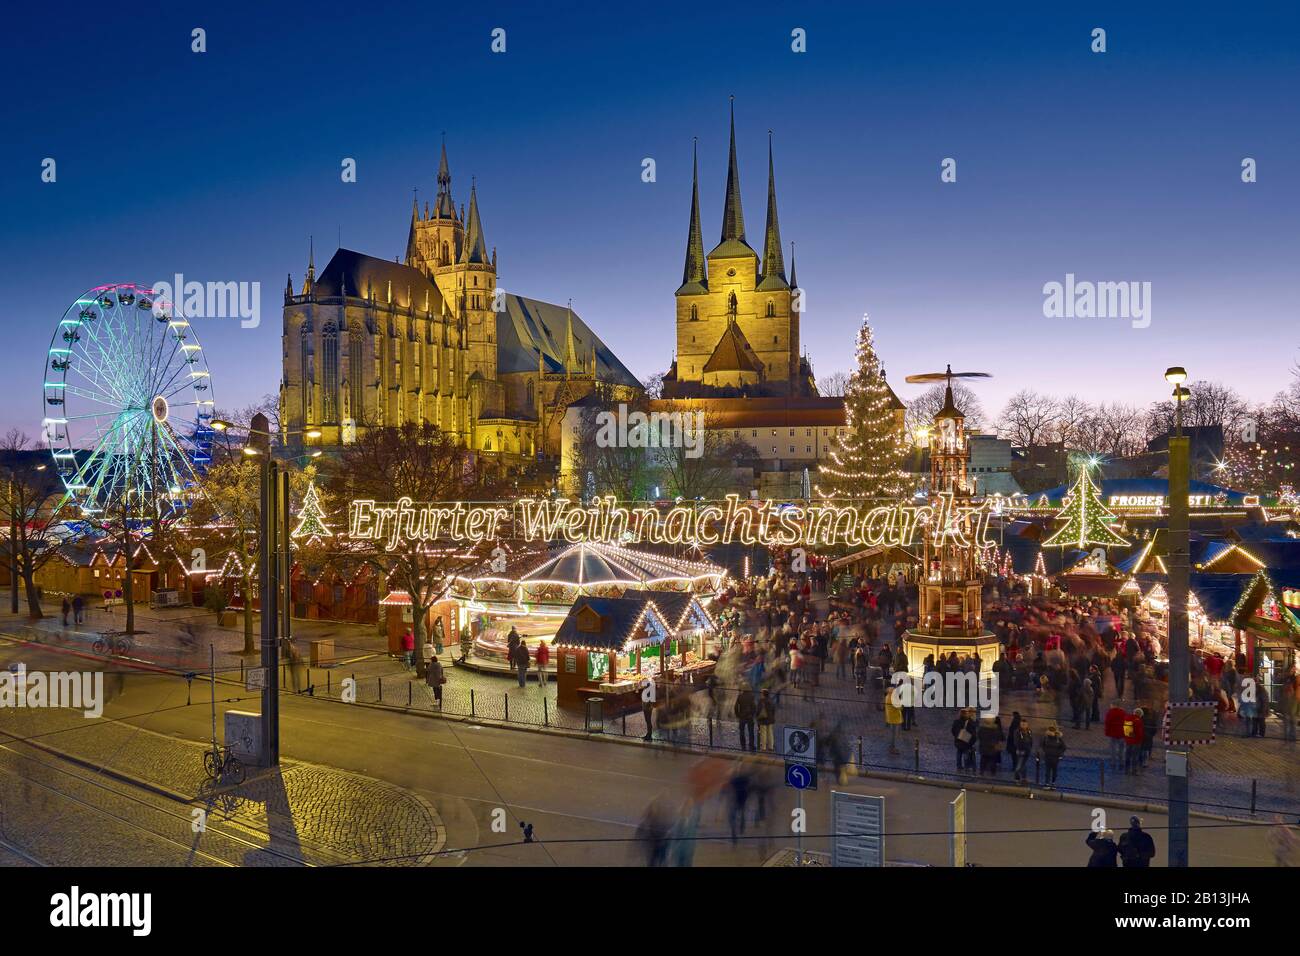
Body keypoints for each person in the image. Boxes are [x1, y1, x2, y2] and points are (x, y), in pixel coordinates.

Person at [1040, 724, 1066, 788]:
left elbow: (1063, 747)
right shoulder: (1046, 738)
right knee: (1048, 771)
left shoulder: (1058, 739)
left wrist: (1058, 753)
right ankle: (1047, 783)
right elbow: (1042, 745)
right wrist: (1045, 751)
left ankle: (1052, 783)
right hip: (1048, 756)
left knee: (1054, 771)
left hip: (1054, 757)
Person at [1104, 701, 1128, 769]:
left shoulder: (1110, 712)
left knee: (1113, 749)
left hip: (1113, 733)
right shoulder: (1123, 713)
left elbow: (1107, 722)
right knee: (1122, 749)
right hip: (1122, 733)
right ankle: (1121, 762)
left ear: (1113, 705)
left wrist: (1107, 732)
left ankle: (1113, 762)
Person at [952, 708, 976, 772]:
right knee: (966, 754)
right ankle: (966, 767)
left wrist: (957, 736)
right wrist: (972, 741)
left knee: (959, 753)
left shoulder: (956, 721)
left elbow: (953, 730)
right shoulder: (970, 722)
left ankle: (959, 766)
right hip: (966, 741)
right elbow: (973, 733)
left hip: (958, 741)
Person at [734, 686, 757, 752]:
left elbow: (735, 707)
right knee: (751, 732)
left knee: (742, 732)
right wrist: (752, 714)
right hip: (749, 717)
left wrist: (738, 715)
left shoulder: (740, 696)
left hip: (742, 716)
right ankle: (751, 746)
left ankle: (743, 746)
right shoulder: (752, 696)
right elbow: (754, 707)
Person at [1013, 718, 1033, 784]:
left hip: (1027, 750)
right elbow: (1016, 742)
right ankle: (1017, 779)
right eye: (1022, 724)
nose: (1024, 726)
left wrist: (1030, 747)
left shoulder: (1029, 731)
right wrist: (1020, 749)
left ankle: (1024, 778)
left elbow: (1030, 740)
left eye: (1025, 724)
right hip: (1021, 751)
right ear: (1020, 724)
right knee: (1019, 766)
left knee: (1023, 765)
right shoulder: (1017, 731)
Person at [884, 691, 903, 755]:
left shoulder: (887, 697)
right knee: (894, 735)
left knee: (892, 733)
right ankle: (892, 748)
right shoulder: (892, 699)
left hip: (891, 718)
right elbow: (900, 707)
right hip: (895, 719)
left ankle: (892, 747)